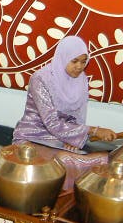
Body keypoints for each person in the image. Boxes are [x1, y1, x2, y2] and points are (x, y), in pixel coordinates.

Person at [12, 36, 116, 189]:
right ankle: (59, 203)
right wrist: (93, 130)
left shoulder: (81, 80)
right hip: (33, 137)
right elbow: (51, 122)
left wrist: (73, 139)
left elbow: (79, 116)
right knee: (66, 161)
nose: (79, 67)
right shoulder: (41, 79)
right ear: (63, 57)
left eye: (83, 61)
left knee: (102, 158)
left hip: (61, 138)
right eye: (74, 61)